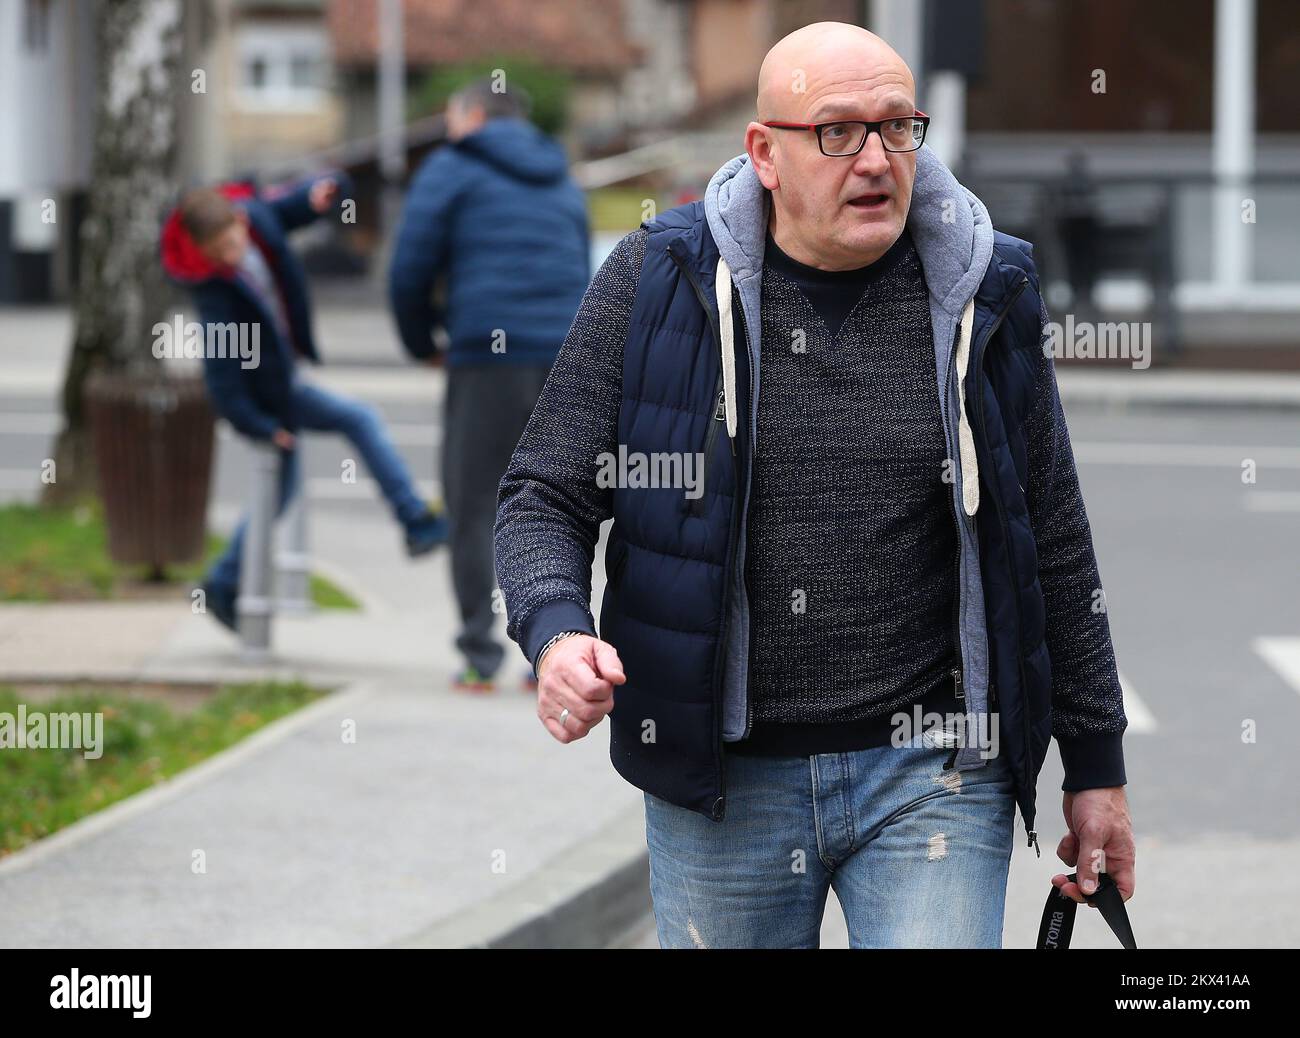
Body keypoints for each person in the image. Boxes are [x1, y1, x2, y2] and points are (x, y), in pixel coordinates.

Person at [495, 22, 1135, 948]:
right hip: (722, 782)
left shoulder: (985, 288)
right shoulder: (657, 279)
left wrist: (1096, 766)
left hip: (934, 774)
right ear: (765, 153)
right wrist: (556, 631)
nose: (875, 159)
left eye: (897, 128)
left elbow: (1056, 539)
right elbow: (543, 493)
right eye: (838, 132)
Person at [160, 174, 448, 632]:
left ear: (240, 223)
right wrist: (257, 424)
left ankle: (222, 582)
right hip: (270, 396)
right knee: (359, 419)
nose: (231, 259)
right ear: (200, 251)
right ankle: (415, 520)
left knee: (281, 491)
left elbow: (283, 213)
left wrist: (314, 200)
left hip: (283, 376)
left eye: (233, 246)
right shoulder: (213, 289)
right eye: (219, 255)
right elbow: (222, 377)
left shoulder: (255, 218)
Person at [389, 78, 590, 693]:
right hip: (565, 357)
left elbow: (408, 267)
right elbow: (581, 260)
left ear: (472, 115)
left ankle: (480, 654)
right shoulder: (560, 173)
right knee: (555, 501)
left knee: (475, 504)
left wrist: (424, 344)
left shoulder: (453, 165)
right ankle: (553, 650)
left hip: (486, 357)